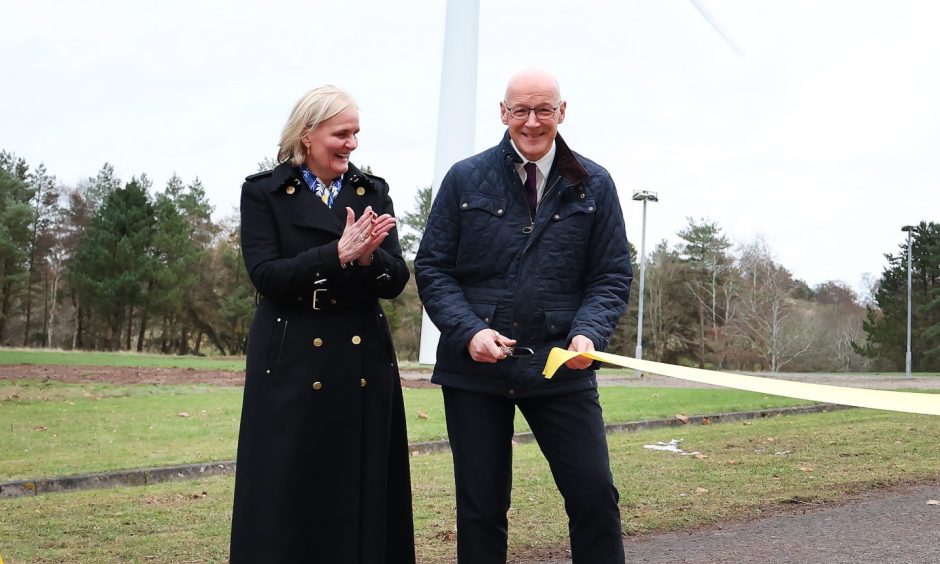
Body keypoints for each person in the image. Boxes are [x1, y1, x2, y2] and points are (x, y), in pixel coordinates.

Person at [414, 69, 633, 563]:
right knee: (481, 509)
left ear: (562, 112)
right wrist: (469, 332)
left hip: (560, 366)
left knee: (594, 496)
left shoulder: (595, 183)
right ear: (503, 113)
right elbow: (432, 268)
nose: (532, 122)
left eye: (543, 110)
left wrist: (588, 333)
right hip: (475, 372)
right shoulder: (464, 178)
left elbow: (611, 275)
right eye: (521, 111)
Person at [230, 85, 415, 563]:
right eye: (341, 134)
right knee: (286, 486)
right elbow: (265, 275)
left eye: (356, 133)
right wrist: (335, 254)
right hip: (290, 359)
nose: (352, 143)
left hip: (361, 360)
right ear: (307, 134)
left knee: (361, 484)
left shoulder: (373, 191)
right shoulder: (263, 192)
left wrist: (370, 257)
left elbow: (396, 280)